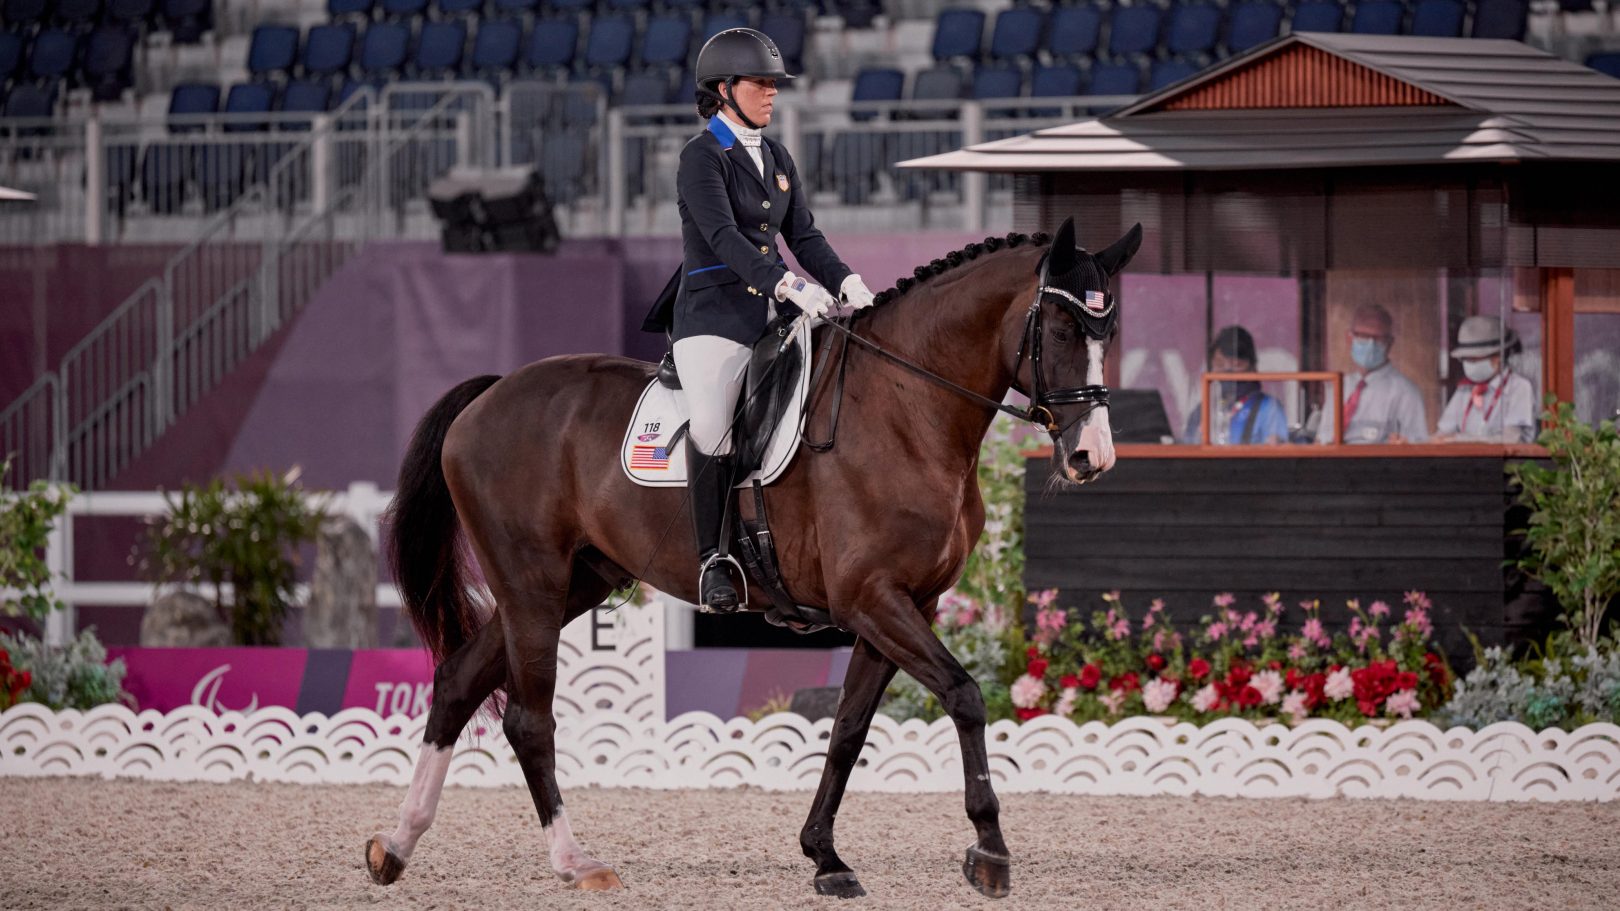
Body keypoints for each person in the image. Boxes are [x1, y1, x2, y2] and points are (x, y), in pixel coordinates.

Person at [674, 28, 875, 612]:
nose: (771, 93)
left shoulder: (777, 157)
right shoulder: (701, 157)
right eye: (760, 83)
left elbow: (803, 236)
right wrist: (787, 283)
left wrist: (846, 281)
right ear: (723, 89)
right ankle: (713, 560)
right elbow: (722, 237)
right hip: (713, 317)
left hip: (775, 316)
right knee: (713, 423)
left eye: (773, 84)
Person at [1315, 304, 1428, 444]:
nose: (1370, 344)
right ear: (1349, 339)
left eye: (1378, 338)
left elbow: (1417, 446)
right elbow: (1322, 439)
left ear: (1389, 343)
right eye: (1363, 336)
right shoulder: (1339, 387)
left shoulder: (1405, 392)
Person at [1435, 315, 1537, 443]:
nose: (1468, 364)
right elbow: (1443, 433)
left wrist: (1459, 439)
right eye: (1465, 359)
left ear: (1497, 357)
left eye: (1473, 359)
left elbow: (1511, 440)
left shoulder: (1519, 388)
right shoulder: (1464, 390)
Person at [1182, 325, 1290, 445]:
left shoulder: (1268, 407)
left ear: (1252, 367)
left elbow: (1276, 451)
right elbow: (1187, 447)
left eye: (1237, 365)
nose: (1227, 371)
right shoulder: (1203, 410)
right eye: (1220, 364)